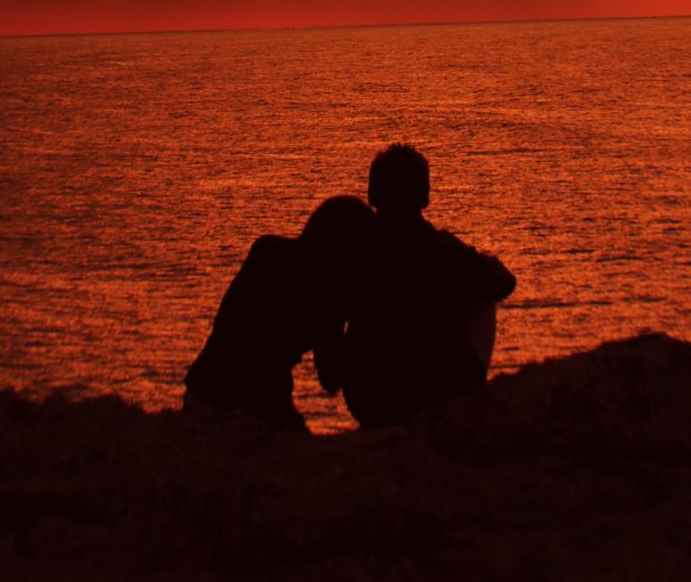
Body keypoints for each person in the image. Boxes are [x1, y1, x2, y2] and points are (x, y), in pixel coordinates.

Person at [341, 143, 516, 428]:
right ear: (425, 197)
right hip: (437, 394)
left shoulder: (352, 249)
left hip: (368, 398)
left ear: (373, 193)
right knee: (483, 298)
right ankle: (470, 394)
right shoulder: (442, 248)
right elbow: (503, 283)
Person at [184, 194, 372, 430]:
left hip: (204, 388)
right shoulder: (325, 296)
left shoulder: (266, 250)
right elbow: (331, 378)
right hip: (251, 405)